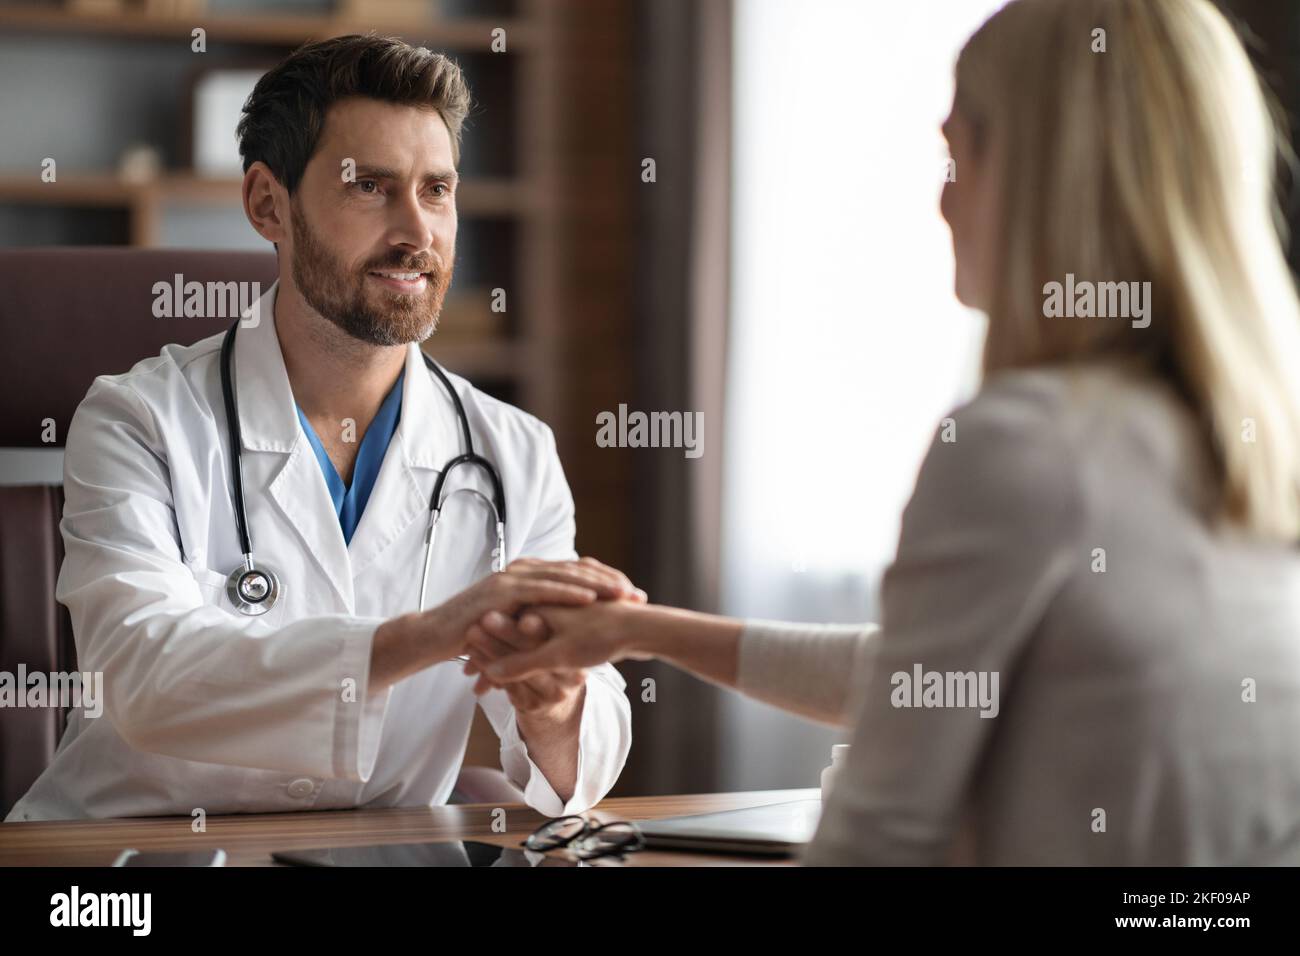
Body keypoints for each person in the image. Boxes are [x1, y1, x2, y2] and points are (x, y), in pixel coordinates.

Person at [466, 0, 1300, 865]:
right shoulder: (1252, 435)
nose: (943, 201)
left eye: (957, 152)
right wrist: (641, 632)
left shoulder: (1023, 446)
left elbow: (877, 843)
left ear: (1039, 172)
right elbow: (924, 674)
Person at [7, 36, 637, 822]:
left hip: (375, 856)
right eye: (370, 187)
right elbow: (144, 682)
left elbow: (587, 750)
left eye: (436, 190)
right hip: (125, 858)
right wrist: (431, 633)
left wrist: (554, 706)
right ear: (269, 204)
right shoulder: (139, 420)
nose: (418, 232)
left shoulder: (510, 453)